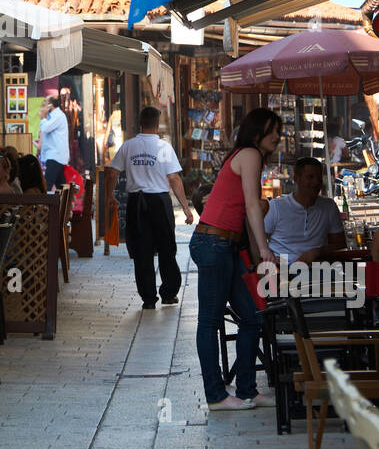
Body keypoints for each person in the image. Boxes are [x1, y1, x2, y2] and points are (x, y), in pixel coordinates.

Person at [189, 107, 280, 412]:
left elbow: (246, 212)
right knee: (210, 320)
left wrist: (259, 255)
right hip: (213, 242)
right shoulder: (250, 154)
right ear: (257, 133)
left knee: (253, 317)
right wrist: (265, 251)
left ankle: (247, 390)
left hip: (223, 244)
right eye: (272, 131)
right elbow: (253, 208)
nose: (278, 137)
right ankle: (216, 395)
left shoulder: (247, 156)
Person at [105, 105, 193, 310]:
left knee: (141, 250)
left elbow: (111, 173)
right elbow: (174, 179)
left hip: (137, 202)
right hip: (160, 202)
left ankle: (148, 298)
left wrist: (109, 196)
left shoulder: (128, 146)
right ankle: (169, 293)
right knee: (167, 248)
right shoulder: (164, 148)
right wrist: (186, 208)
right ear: (157, 123)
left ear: (140, 122)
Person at [263, 157, 345, 265]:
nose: (316, 182)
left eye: (319, 178)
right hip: (282, 271)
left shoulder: (329, 206)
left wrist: (316, 252)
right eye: (310, 177)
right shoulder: (276, 207)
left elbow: (340, 244)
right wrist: (270, 258)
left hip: (317, 270)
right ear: (296, 179)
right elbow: (259, 240)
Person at [39, 93, 70, 190]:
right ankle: (65, 203)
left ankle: (44, 204)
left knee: (46, 185)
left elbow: (46, 128)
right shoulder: (53, 116)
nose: (42, 107)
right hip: (55, 155)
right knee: (61, 185)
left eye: (44, 104)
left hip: (55, 156)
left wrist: (43, 117)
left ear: (50, 105)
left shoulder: (58, 116)